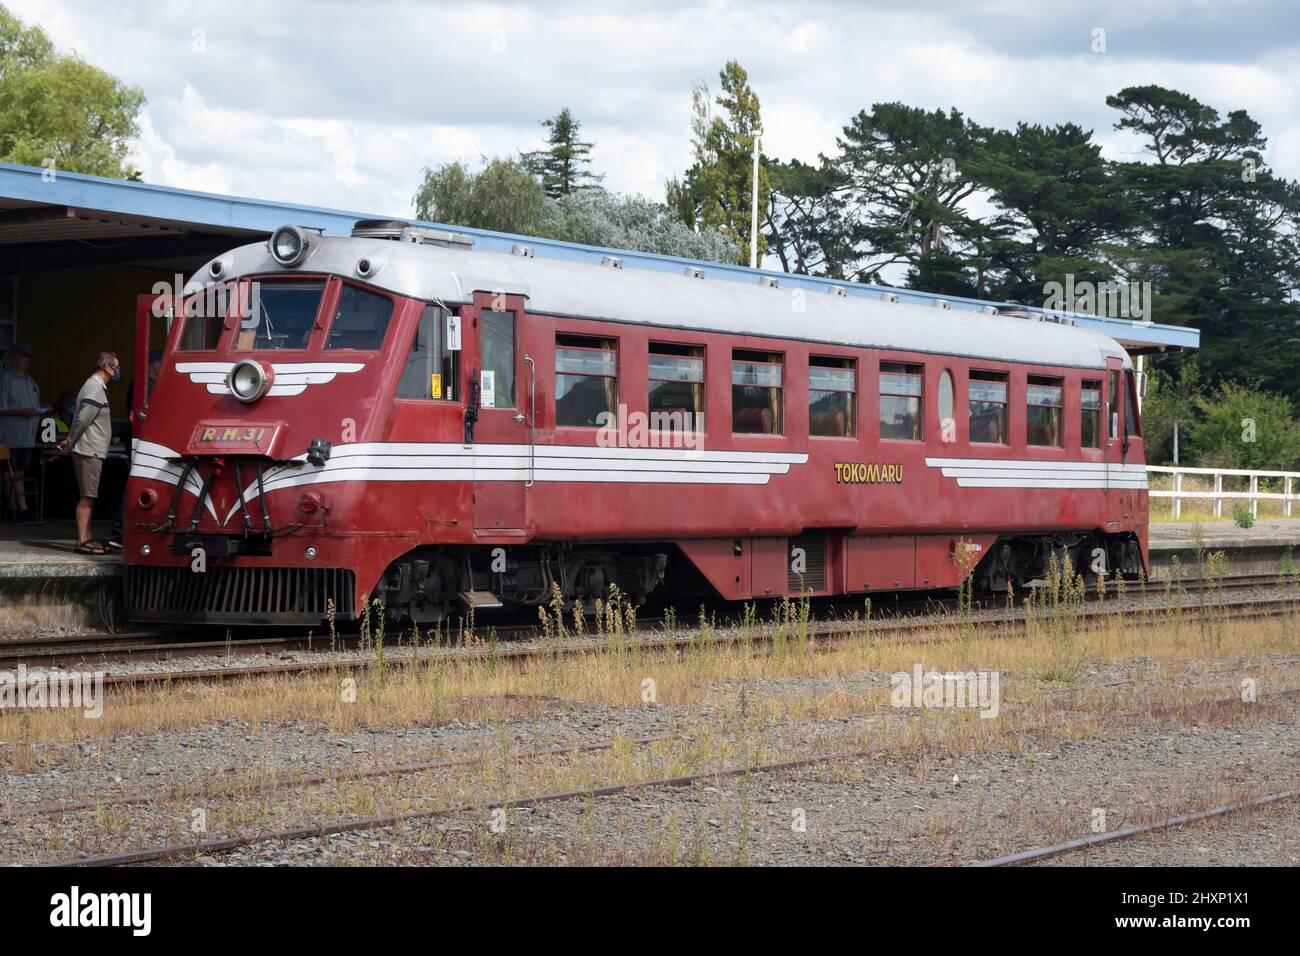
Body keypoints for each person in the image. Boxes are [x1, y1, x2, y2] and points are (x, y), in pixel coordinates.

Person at [59, 352, 119, 554]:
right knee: (87, 496)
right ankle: (82, 541)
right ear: (107, 367)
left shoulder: (96, 387)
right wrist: (70, 441)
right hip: (89, 450)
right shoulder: (94, 387)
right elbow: (82, 420)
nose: (117, 371)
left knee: (90, 496)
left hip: (92, 449)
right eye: (116, 367)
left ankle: (88, 538)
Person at [110, 350, 162, 550]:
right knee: (132, 487)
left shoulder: (152, 386)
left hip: (149, 443)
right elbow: (135, 416)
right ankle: (119, 532)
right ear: (155, 364)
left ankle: (128, 532)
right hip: (141, 443)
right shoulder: (140, 386)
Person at [0, 343, 43, 521]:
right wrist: (22, 412)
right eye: (24, 358)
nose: (27, 362)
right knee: (10, 472)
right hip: (10, 435)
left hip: (28, 436)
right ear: (14, 358)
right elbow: (1, 409)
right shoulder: (5, 378)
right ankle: (16, 510)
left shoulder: (30, 380)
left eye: (28, 358)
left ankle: (20, 509)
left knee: (19, 473)